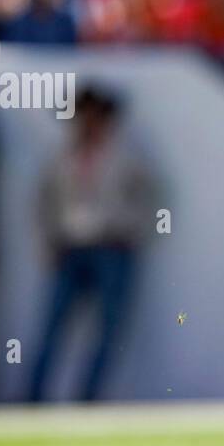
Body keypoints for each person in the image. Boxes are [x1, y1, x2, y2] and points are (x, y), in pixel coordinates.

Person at [29, 87, 153, 402]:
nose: (90, 123)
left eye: (96, 116)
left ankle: (88, 397)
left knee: (108, 330)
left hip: (111, 247)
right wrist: (49, 239)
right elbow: (42, 201)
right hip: (71, 247)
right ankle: (34, 397)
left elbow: (150, 198)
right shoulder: (62, 156)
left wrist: (128, 230)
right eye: (85, 115)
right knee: (53, 326)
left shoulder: (125, 156)